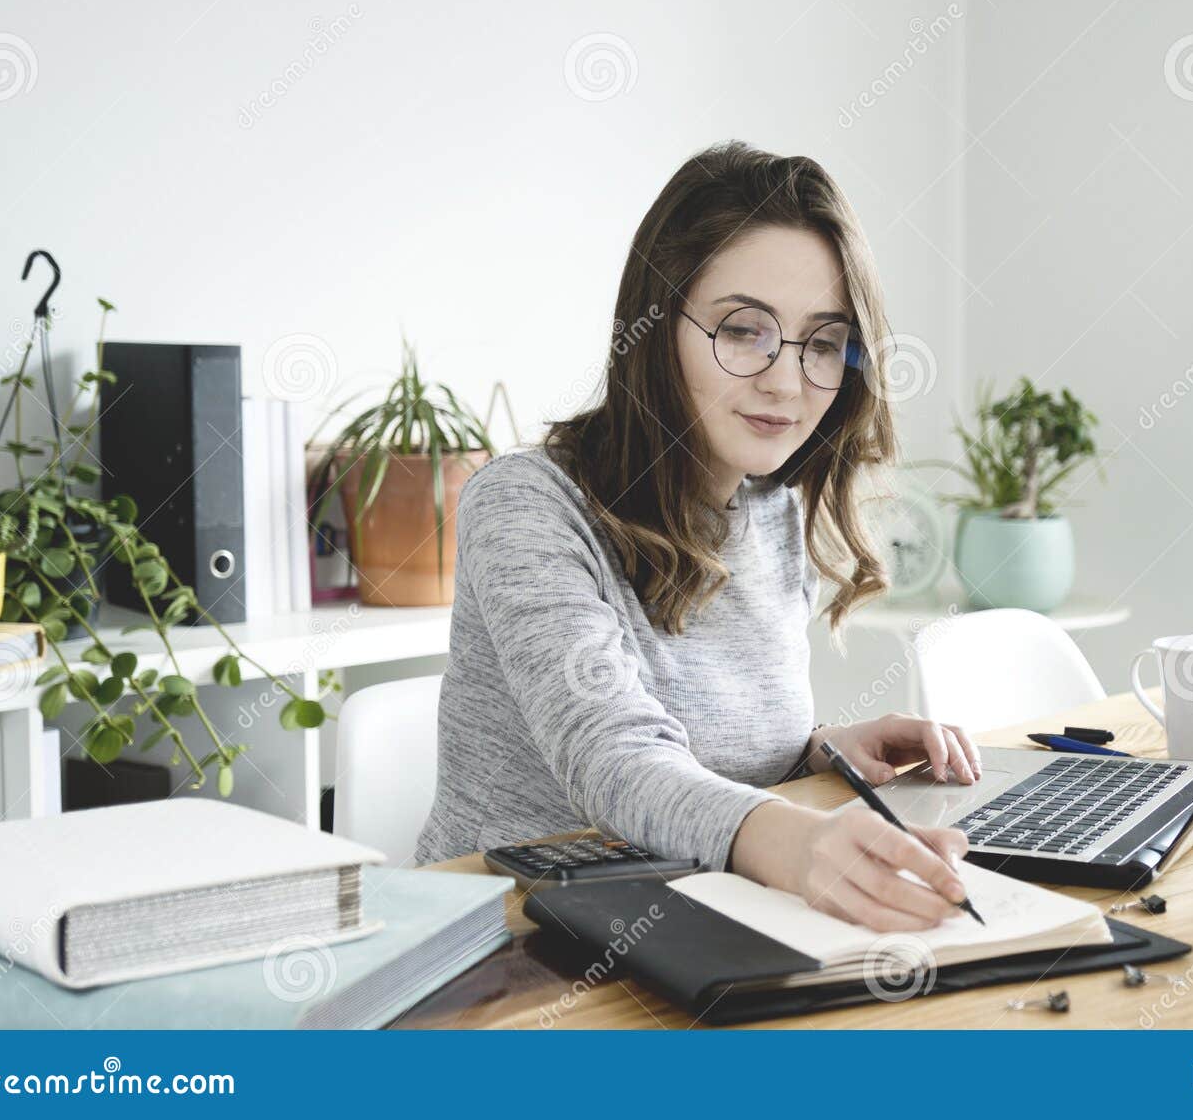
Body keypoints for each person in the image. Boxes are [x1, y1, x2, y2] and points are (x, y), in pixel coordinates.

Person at [417, 141, 981, 932]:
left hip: (697, 915)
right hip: (506, 949)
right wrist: (805, 843)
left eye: (822, 342)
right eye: (743, 329)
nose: (786, 381)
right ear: (656, 328)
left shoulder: (774, 509)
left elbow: (702, 766)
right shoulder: (523, 506)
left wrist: (815, 752)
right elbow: (619, 763)